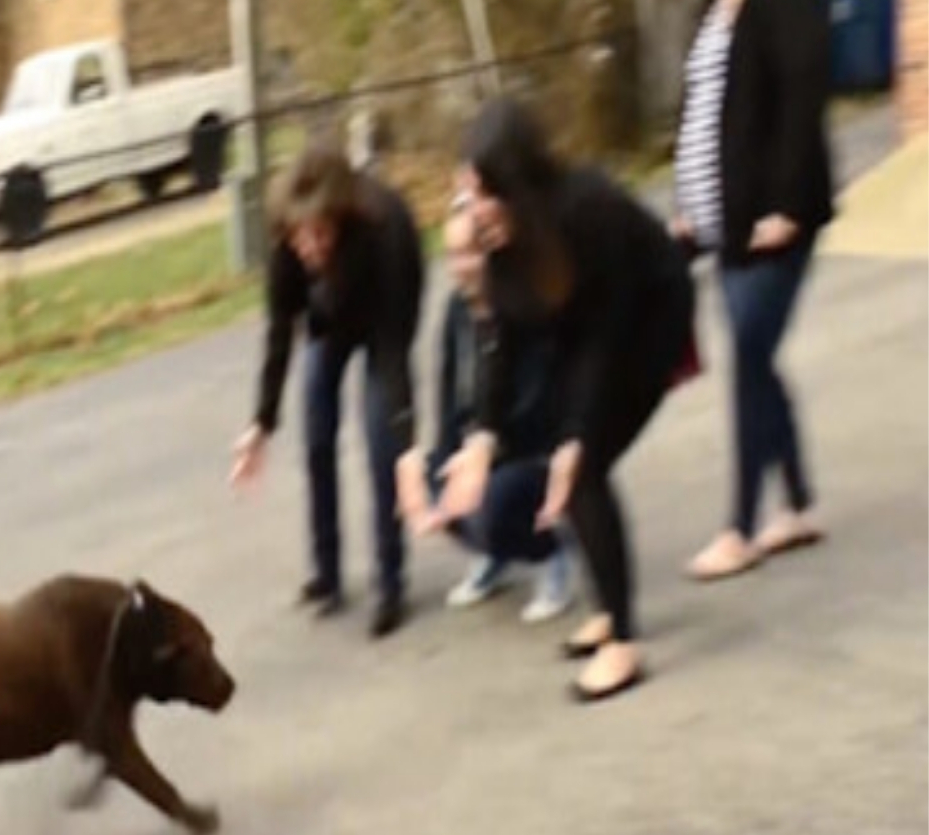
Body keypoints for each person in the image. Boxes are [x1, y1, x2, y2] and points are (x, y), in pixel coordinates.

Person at [399, 97, 694, 702]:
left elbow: (602, 341)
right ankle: (611, 607)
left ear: (520, 185)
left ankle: (623, 645)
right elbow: (499, 341)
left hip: (648, 319)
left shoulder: (589, 211)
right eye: (467, 192)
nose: (472, 209)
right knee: (579, 465)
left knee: (581, 467)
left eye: (483, 192)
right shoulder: (500, 235)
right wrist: (482, 439)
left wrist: (579, 434)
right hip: (585, 331)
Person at [674, 0, 833, 581]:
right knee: (758, 357)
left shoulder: (786, 2)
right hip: (725, 225)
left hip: (776, 225)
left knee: (747, 357)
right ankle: (796, 504)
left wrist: (787, 208)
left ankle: (739, 527)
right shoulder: (715, 9)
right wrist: (688, 203)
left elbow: (801, 110)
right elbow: (704, 116)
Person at [230, 141, 425, 639]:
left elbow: (392, 350)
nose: (309, 248)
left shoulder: (384, 230)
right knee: (317, 432)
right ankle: (327, 574)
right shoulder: (286, 248)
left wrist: (405, 439)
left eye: (320, 234)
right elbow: (279, 333)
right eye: (300, 237)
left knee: (382, 443)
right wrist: (261, 422)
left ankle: (391, 582)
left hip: (385, 313)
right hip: (329, 320)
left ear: (342, 218)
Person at [420, 191, 574, 620]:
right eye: (452, 256)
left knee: (489, 501)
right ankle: (496, 551)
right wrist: (443, 460)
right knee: (430, 483)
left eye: (470, 253)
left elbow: (536, 405)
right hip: (480, 450)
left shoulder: (521, 307)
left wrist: (482, 457)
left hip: (529, 451)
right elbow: (448, 389)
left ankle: (551, 553)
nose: (460, 267)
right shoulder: (456, 309)